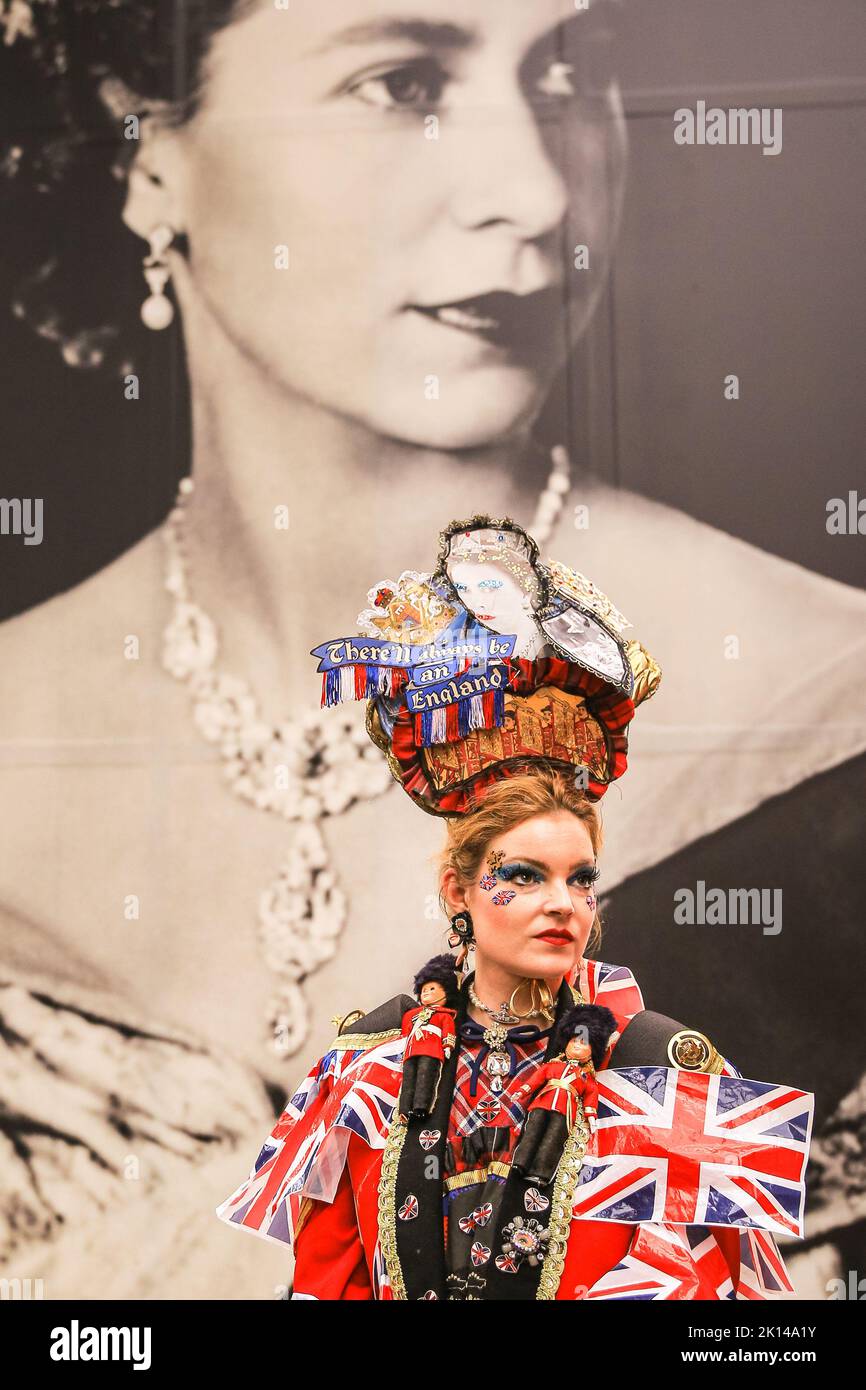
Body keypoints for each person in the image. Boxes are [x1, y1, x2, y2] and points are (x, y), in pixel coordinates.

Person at [0, 0, 858, 1297]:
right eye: (402, 82)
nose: (531, 187)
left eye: (567, 71)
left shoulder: (823, 721)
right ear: (148, 152)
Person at [216, 519, 814, 1299]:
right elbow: (325, 1287)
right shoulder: (367, 1073)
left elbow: (733, 1313)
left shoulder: (659, 1071)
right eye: (525, 876)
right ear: (458, 892)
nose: (563, 905)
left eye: (581, 879)